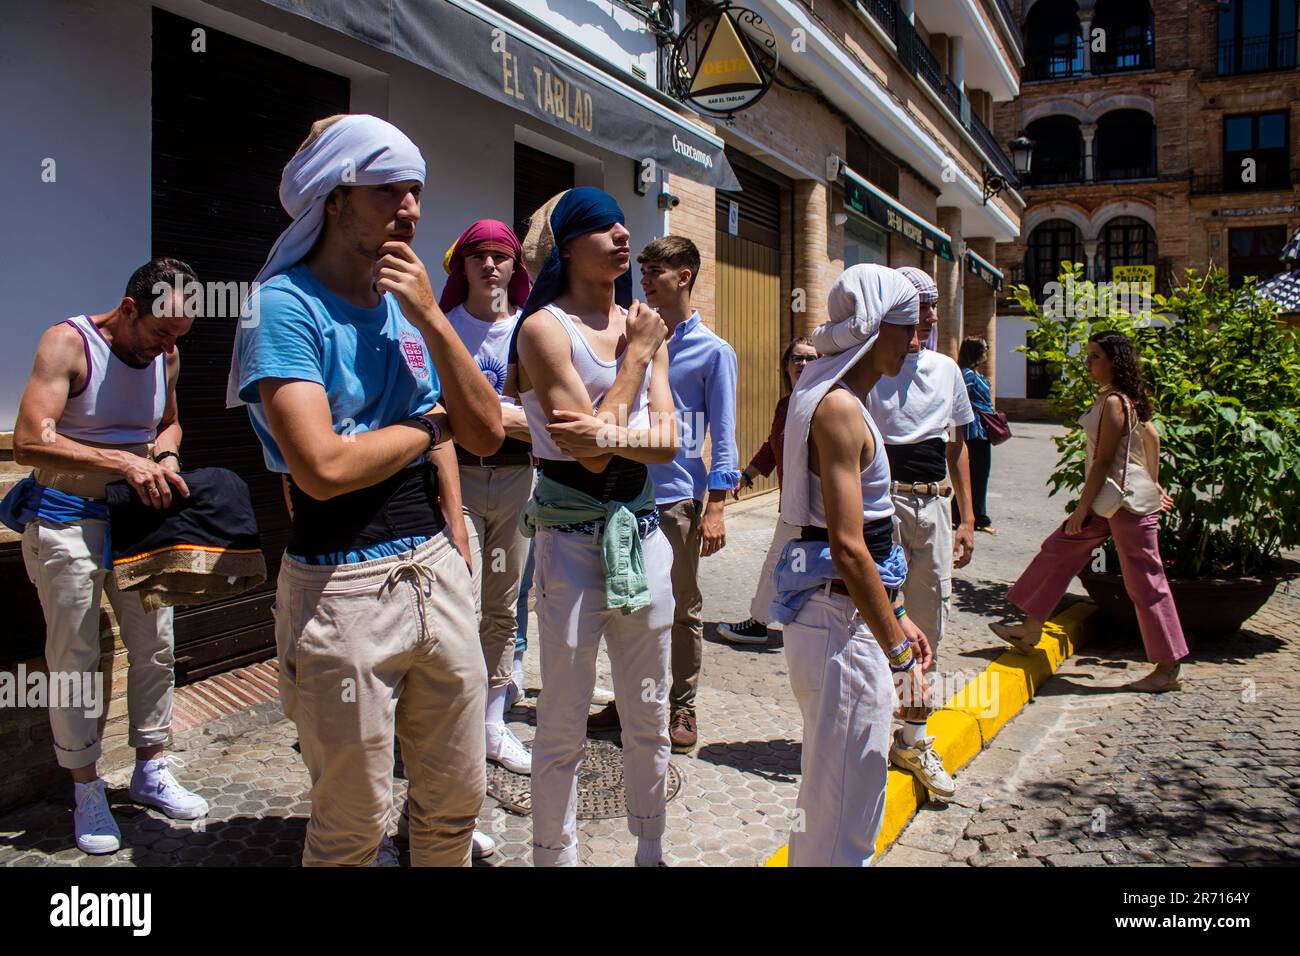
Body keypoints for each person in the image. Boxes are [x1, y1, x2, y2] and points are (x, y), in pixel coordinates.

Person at [229, 114, 504, 866]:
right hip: (341, 585)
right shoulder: (282, 307)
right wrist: (428, 429)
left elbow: (483, 435)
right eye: (390, 191)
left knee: (453, 802)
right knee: (353, 825)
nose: (410, 209)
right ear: (336, 197)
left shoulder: (404, 305)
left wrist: (430, 318)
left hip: (435, 570)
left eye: (416, 192)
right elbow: (322, 466)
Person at [5, 257, 209, 855]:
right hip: (67, 516)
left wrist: (166, 458)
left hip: (136, 519)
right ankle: (86, 787)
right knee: (74, 653)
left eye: (178, 337)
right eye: (160, 333)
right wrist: (125, 461)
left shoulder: (166, 353)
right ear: (128, 310)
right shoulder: (68, 343)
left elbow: (169, 425)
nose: (167, 348)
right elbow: (28, 439)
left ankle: (150, 767)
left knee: (157, 642)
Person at [511, 187, 678, 867]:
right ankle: (554, 856)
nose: (621, 235)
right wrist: (634, 361)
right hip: (573, 544)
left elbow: (667, 443)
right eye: (603, 226)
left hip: (643, 537)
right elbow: (586, 454)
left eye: (623, 224)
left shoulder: (644, 320)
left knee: (649, 716)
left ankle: (651, 848)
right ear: (571, 244)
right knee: (562, 723)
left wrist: (607, 430)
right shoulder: (546, 328)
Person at [773, 264, 932, 866]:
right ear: (877, 329)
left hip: (846, 614)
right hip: (839, 624)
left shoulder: (835, 394)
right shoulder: (838, 408)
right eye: (909, 330)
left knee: (838, 799)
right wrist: (897, 652)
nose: (917, 342)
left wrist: (893, 614)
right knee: (846, 808)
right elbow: (847, 545)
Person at [585, 236, 739, 753]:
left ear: (685, 276)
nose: (645, 277)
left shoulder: (713, 352)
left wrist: (715, 504)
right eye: (643, 268)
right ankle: (630, 699)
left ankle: (682, 704)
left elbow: (724, 432)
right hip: (623, 494)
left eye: (656, 269)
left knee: (681, 610)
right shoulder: (631, 336)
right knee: (625, 605)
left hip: (675, 499)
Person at [990, 330, 1187, 693]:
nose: (1088, 362)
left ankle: (1167, 667)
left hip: (1119, 503)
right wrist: (1154, 483)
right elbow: (1152, 438)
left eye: (1095, 356)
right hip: (1117, 502)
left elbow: (1104, 461)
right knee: (1059, 551)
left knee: (1145, 582)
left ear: (1115, 361)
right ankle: (1032, 627)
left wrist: (1082, 507)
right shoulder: (1123, 399)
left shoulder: (1115, 402)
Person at [863, 265, 974, 800]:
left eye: (933, 306)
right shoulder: (868, 368)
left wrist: (968, 516)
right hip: (882, 506)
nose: (928, 317)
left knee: (927, 623)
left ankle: (912, 736)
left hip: (933, 506)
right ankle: (867, 727)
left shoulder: (948, 369)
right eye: (918, 307)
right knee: (879, 621)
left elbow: (957, 446)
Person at [440, 219, 535, 775]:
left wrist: (481, 418)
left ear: (514, 266)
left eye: (501, 255)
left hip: (520, 480)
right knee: (462, 603)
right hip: (462, 480)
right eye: (479, 255)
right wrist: (507, 418)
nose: (490, 264)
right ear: (463, 265)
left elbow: (548, 418)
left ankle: (493, 724)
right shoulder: (444, 329)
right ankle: (455, 721)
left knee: (505, 606)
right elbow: (434, 415)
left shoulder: (528, 330)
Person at [718, 335, 818, 644]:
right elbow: (772, 447)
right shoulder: (786, 404)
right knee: (789, 562)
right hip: (793, 505)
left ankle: (762, 622)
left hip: (817, 506)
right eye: (796, 358)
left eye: (810, 358)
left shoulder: (825, 401)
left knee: (787, 562)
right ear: (786, 366)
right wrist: (746, 475)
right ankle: (770, 621)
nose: (803, 363)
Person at [956, 336, 996, 534]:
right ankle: (979, 516)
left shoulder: (974, 374)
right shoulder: (968, 376)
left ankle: (958, 512)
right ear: (976, 352)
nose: (987, 353)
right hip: (974, 431)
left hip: (981, 430)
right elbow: (960, 401)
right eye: (984, 349)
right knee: (978, 473)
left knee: (976, 473)